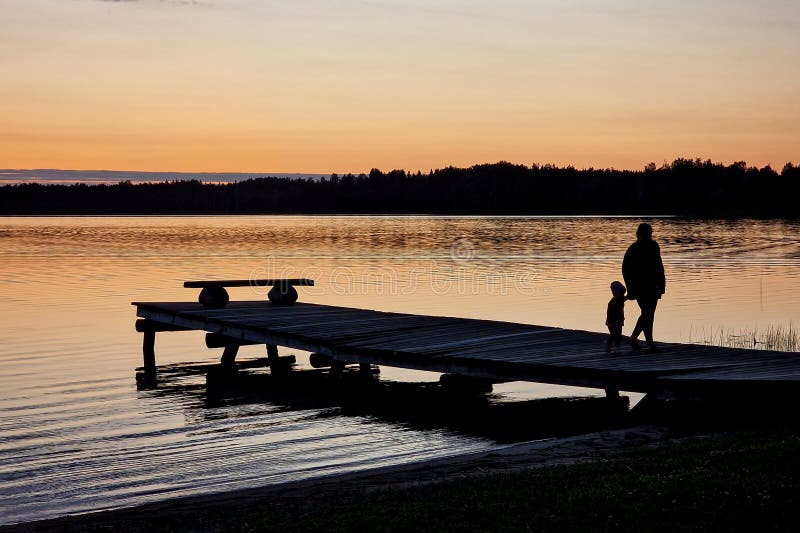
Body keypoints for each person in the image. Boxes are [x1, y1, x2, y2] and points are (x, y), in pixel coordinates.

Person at [622, 223, 665, 352]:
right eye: (646, 233)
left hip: (653, 285)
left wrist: (661, 285)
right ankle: (649, 342)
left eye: (649, 233)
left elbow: (659, 266)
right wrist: (630, 287)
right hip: (639, 287)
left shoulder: (654, 246)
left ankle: (635, 338)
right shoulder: (633, 248)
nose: (648, 235)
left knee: (648, 313)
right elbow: (625, 269)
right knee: (648, 312)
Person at [605, 281, 626, 353]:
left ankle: (617, 348)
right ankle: (608, 345)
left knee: (619, 335)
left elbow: (628, 297)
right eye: (622, 293)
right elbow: (609, 313)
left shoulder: (620, 298)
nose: (623, 295)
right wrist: (610, 322)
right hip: (612, 321)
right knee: (613, 335)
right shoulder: (613, 302)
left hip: (619, 320)